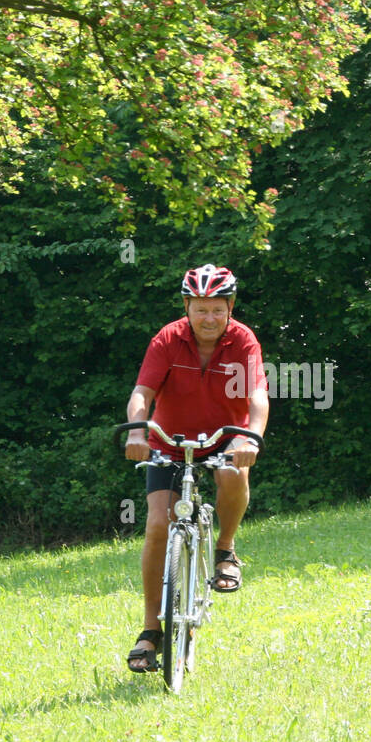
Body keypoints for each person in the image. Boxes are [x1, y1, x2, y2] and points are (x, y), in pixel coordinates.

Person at [123, 264, 269, 671]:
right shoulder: (168, 339)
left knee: (230, 473)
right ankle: (151, 631)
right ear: (187, 306)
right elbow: (142, 392)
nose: (209, 319)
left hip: (225, 436)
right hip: (169, 439)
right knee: (157, 525)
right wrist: (137, 432)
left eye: (217, 310)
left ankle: (225, 550)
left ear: (230, 308)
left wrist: (249, 437)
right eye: (201, 310)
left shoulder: (243, 341)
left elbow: (258, 397)